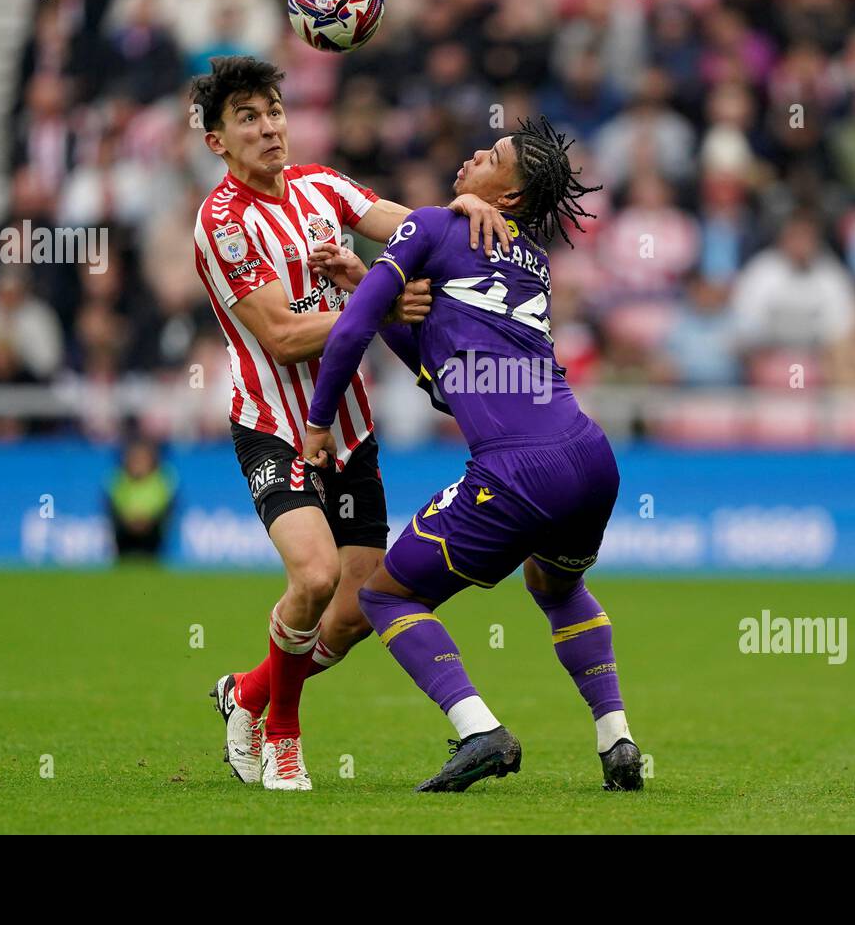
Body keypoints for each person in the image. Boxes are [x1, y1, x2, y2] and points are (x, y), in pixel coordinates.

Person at [190, 56, 511, 790]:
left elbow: (406, 228)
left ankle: (246, 692)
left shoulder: (321, 186)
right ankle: (285, 735)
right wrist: (377, 301)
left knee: (353, 613)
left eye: (273, 109)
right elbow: (281, 335)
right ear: (217, 141)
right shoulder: (223, 226)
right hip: (277, 421)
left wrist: (464, 212)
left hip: (350, 424)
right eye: (247, 117)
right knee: (314, 574)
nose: (268, 126)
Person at [302, 117, 644, 793]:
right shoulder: (536, 269)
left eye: (490, 156)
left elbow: (349, 337)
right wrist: (368, 282)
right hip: (589, 456)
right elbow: (447, 378)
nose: (471, 155)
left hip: (519, 469)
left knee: (385, 597)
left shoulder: (432, 226)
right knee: (557, 586)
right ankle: (618, 741)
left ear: (508, 196)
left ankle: (479, 728)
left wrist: (317, 426)